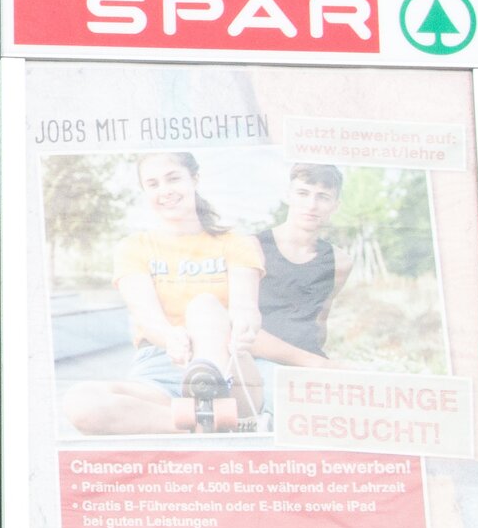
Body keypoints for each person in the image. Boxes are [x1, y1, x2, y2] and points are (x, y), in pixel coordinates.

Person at [59, 152, 266, 436]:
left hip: (230, 370)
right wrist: (171, 338)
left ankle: (211, 395)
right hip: (160, 374)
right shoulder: (135, 247)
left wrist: (244, 326)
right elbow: (146, 315)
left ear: (194, 179)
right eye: (153, 184)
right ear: (145, 191)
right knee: (81, 401)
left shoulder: (237, 242)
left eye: (173, 179)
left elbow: (246, 308)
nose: (165, 191)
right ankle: (204, 424)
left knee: (204, 305)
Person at [249, 164, 351, 370]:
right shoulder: (254, 246)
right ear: (288, 195)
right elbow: (241, 328)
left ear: (335, 205)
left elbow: (319, 322)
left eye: (323, 197)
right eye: (303, 193)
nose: (311, 205)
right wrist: (317, 364)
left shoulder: (340, 261)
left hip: (309, 365)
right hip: (257, 362)